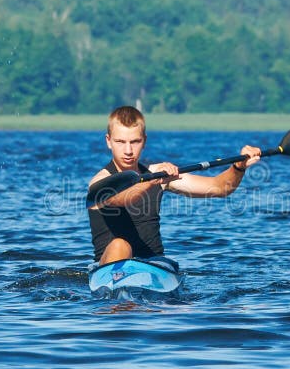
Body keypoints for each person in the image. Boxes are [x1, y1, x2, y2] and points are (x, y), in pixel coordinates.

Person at [88, 106, 261, 265]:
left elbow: (220, 188)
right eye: (120, 142)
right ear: (108, 141)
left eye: (134, 142)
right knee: (120, 245)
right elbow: (121, 199)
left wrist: (238, 167)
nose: (128, 150)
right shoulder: (99, 181)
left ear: (144, 141)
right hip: (108, 271)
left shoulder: (157, 174)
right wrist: (151, 182)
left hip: (154, 267)